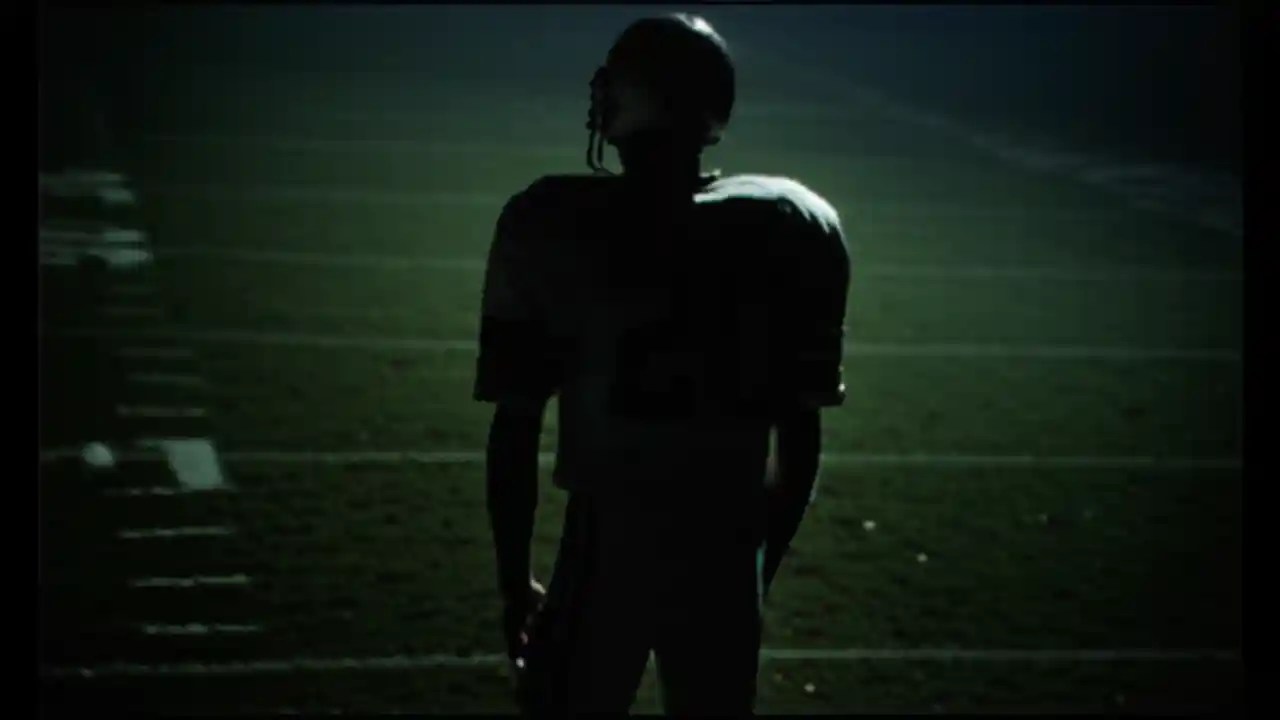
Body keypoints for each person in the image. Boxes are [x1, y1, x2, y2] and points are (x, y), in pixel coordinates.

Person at [474, 13, 850, 715]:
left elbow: (516, 424)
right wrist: (756, 566)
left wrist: (510, 578)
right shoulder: (796, 223)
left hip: (606, 543)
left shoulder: (551, 221)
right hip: (723, 542)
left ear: (626, 99)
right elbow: (798, 437)